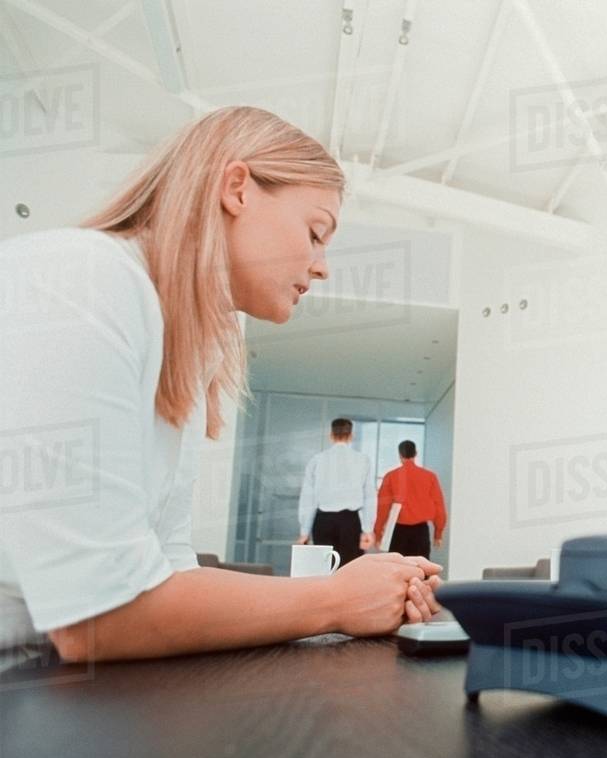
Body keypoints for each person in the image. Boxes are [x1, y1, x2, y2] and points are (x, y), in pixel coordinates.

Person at [0, 107, 441, 665]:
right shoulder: (83, 281)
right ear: (237, 188)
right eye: (315, 233)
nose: (322, 266)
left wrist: (365, 590)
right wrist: (333, 599)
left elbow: (169, 566)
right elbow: (99, 617)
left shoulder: (184, 350)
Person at [297, 418, 375, 567]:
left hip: (323, 521)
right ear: (351, 435)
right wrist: (367, 529)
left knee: (323, 568)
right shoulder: (363, 460)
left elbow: (308, 498)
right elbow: (369, 496)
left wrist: (304, 531)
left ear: (331, 435)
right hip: (350, 522)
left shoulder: (316, 460)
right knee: (349, 569)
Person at [373, 440, 447, 559]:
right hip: (421, 531)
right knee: (421, 570)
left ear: (400, 455)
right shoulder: (429, 476)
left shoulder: (391, 476)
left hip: (398, 532)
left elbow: (383, 508)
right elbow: (439, 506)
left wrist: (378, 534)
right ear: (416, 453)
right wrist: (438, 533)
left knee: (398, 570)